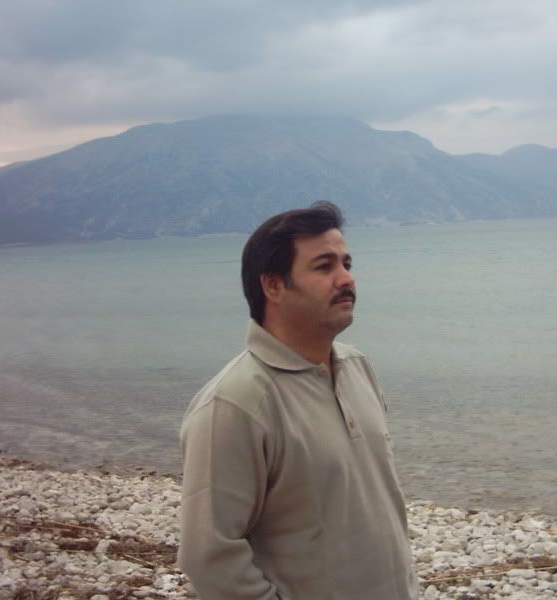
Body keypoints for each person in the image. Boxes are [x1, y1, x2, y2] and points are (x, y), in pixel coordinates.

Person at [178, 201, 418, 599]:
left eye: (347, 264)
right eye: (324, 267)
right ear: (273, 286)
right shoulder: (234, 404)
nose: (346, 279)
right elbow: (209, 557)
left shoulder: (358, 368)